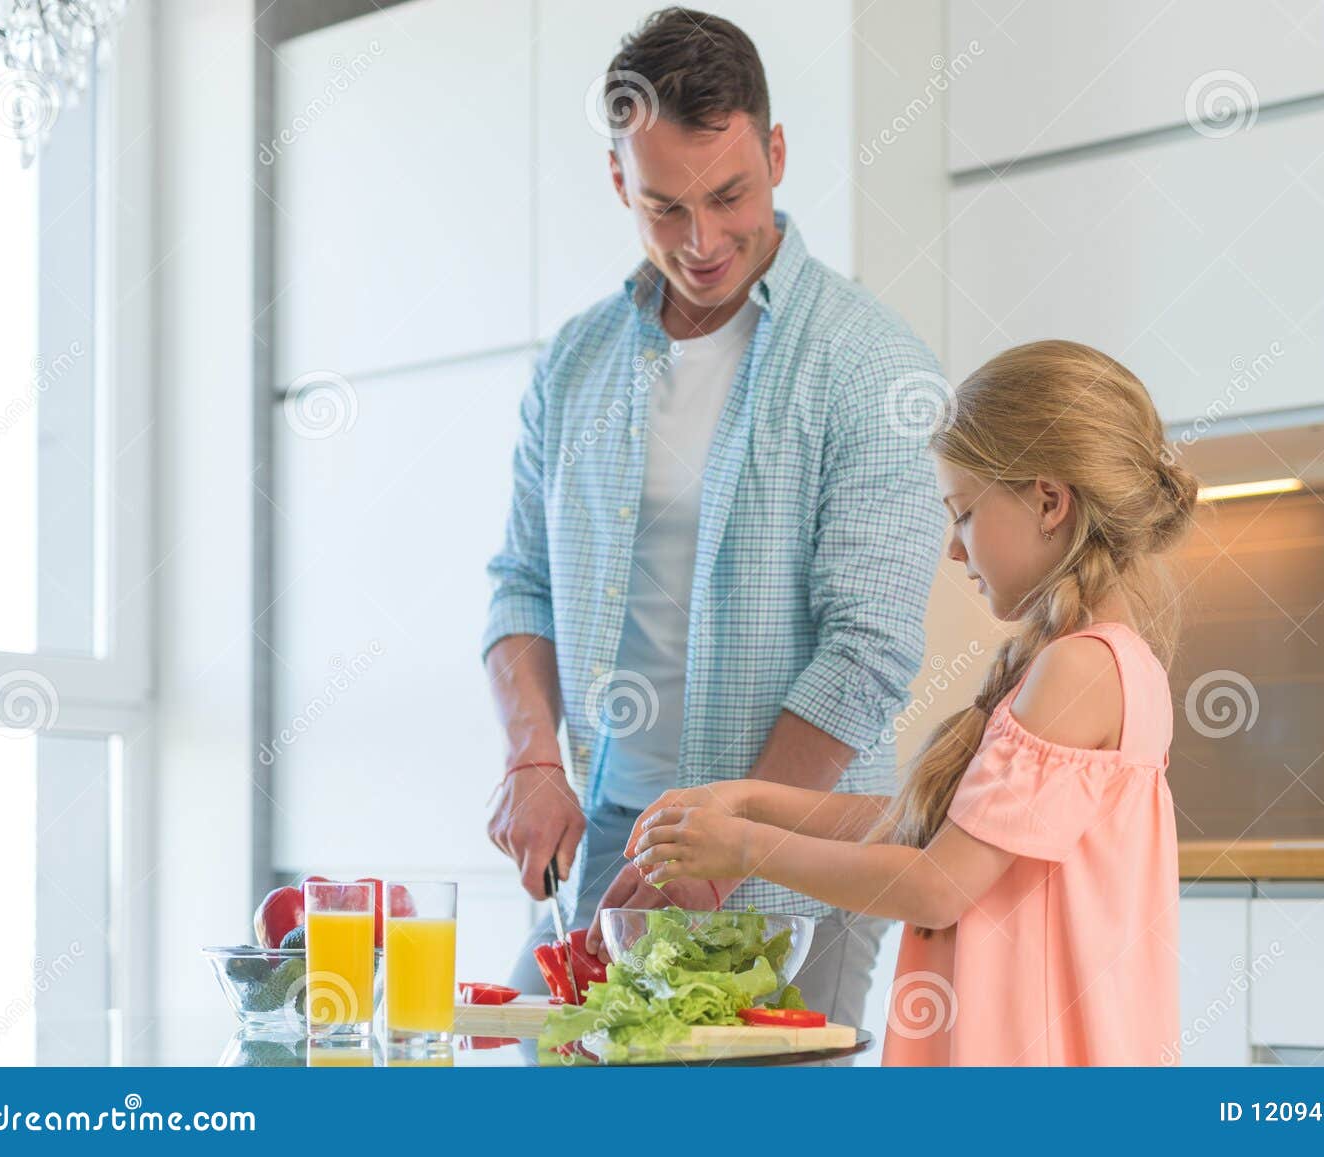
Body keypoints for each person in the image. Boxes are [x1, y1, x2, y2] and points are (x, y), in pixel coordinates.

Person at [480, 6, 944, 1030]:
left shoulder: (870, 363)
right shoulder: (576, 362)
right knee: (530, 1078)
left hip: (791, 851)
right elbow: (521, 580)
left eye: (729, 195)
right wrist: (532, 756)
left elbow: (864, 650)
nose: (701, 242)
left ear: (775, 154)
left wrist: (729, 847)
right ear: (619, 184)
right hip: (614, 828)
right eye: (663, 206)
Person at [626, 340, 1201, 1064]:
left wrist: (746, 848)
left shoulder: (1079, 670)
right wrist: (744, 799)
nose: (953, 551)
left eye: (962, 514)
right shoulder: (1105, 662)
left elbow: (935, 885)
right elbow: (926, 830)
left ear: (1049, 501)